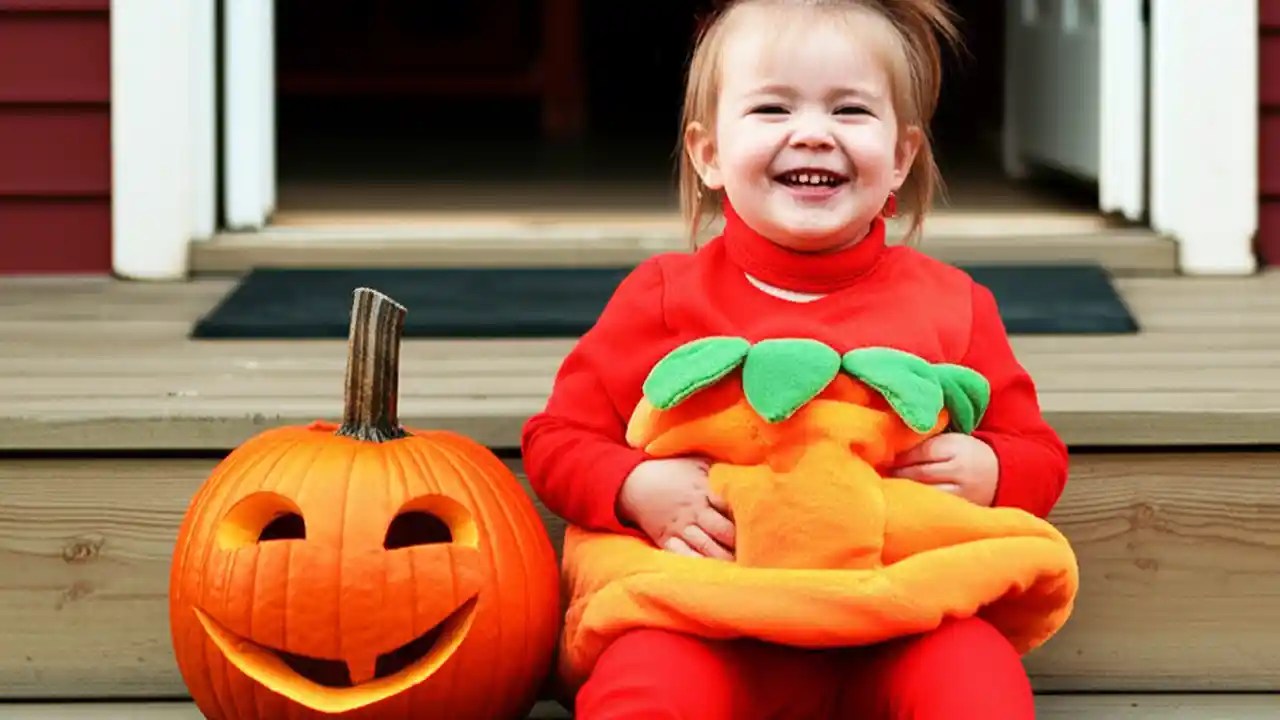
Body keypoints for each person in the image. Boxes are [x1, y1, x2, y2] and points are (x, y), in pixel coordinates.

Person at [521, 0, 1069, 717]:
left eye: (849, 112)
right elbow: (556, 440)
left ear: (901, 155)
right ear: (708, 153)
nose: (812, 135)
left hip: (895, 614)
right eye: (773, 110)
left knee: (974, 675)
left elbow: (1037, 449)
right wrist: (632, 486)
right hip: (704, 616)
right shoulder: (661, 297)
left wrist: (995, 469)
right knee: (647, 680)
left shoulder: (953, 304)